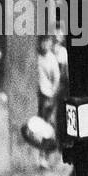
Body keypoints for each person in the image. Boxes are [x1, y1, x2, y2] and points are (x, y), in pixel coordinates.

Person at [36, 36, 61, 169]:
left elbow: (56, 79)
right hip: (37, 95)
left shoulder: (51, 59)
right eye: (43, 42)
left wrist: (52, 96)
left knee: (46, 127)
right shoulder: (36, 56)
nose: (45, 45)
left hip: (47, 96)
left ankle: (44, 156)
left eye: (47, 42)